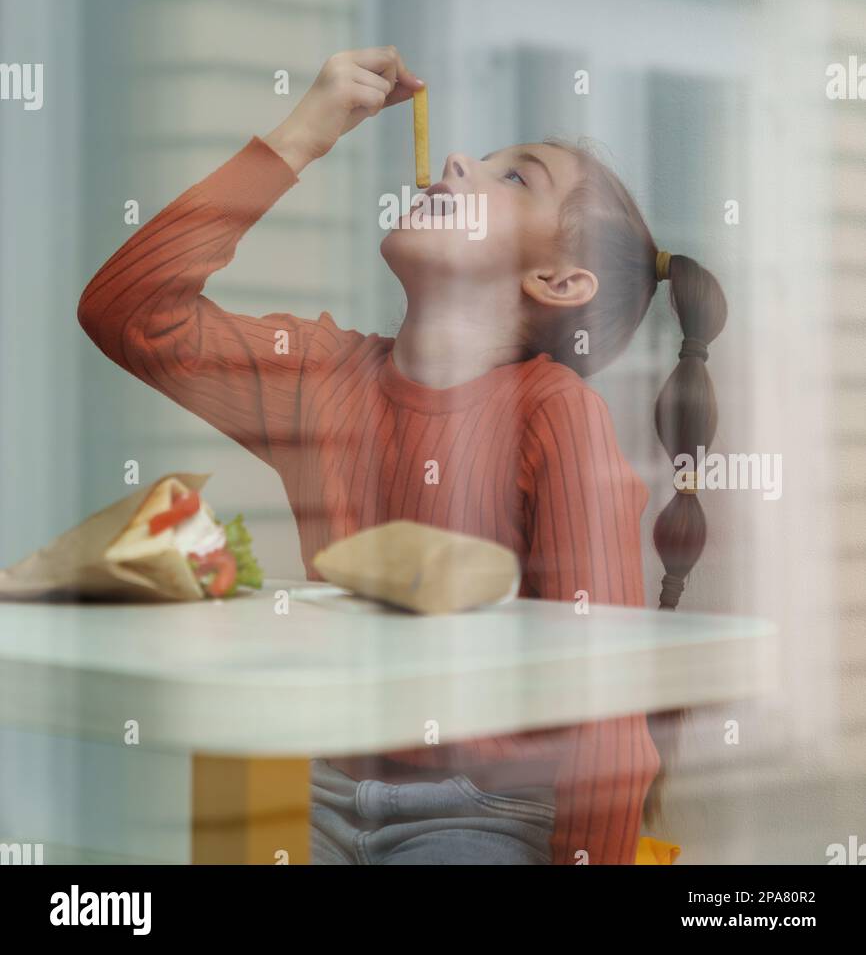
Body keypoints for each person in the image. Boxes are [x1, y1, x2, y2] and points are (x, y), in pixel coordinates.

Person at [78, 45, 727, 864]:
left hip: (484, 812)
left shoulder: (556, 417)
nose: (456, 160)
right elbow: (128, 311)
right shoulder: (319, 378)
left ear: (562, 282)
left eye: (515, 177)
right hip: (324, 789)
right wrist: (301, 137)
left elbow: (599, 704)